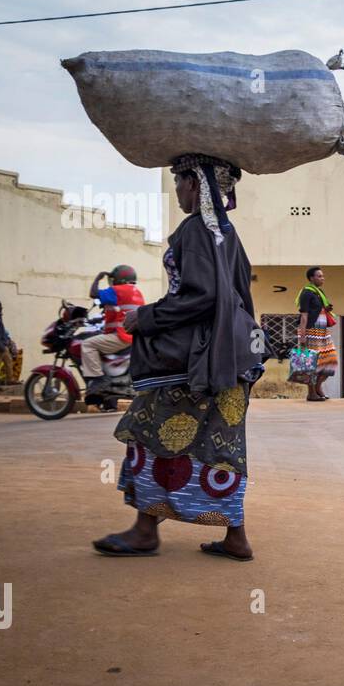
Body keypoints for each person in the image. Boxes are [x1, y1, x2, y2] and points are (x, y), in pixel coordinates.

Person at [93, 154, 263, 562]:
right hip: (229, 356)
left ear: (195, 184)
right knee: (220, 441)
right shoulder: (226, 231)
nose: (176, 190)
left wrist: (145, 317)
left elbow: (201, 297)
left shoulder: (195, 230)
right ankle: (235, 538)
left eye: (178, 181)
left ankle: (144, 531)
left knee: (148, 430)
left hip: (192, 361)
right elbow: (239, 295)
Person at [83, 265, 145, 397]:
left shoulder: (117, 290)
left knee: (88, 344)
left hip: (122, 335)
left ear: (119, 279)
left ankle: (97, 380)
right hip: (134, 335)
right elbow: (119, 311)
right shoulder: (136, 292)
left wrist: (98, 279)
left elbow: (93, 294)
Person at [297, 267, 338, 402]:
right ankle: (311, 393)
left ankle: (318, 387)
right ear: (311, 278)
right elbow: (304, 316)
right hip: (311, 332)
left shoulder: (319, 293)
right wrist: (302, 336)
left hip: (323, 332)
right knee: (311, 363)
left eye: (322, 276)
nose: (322, 278)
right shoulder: (306, 293)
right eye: (319, 276)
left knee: (330, 361)